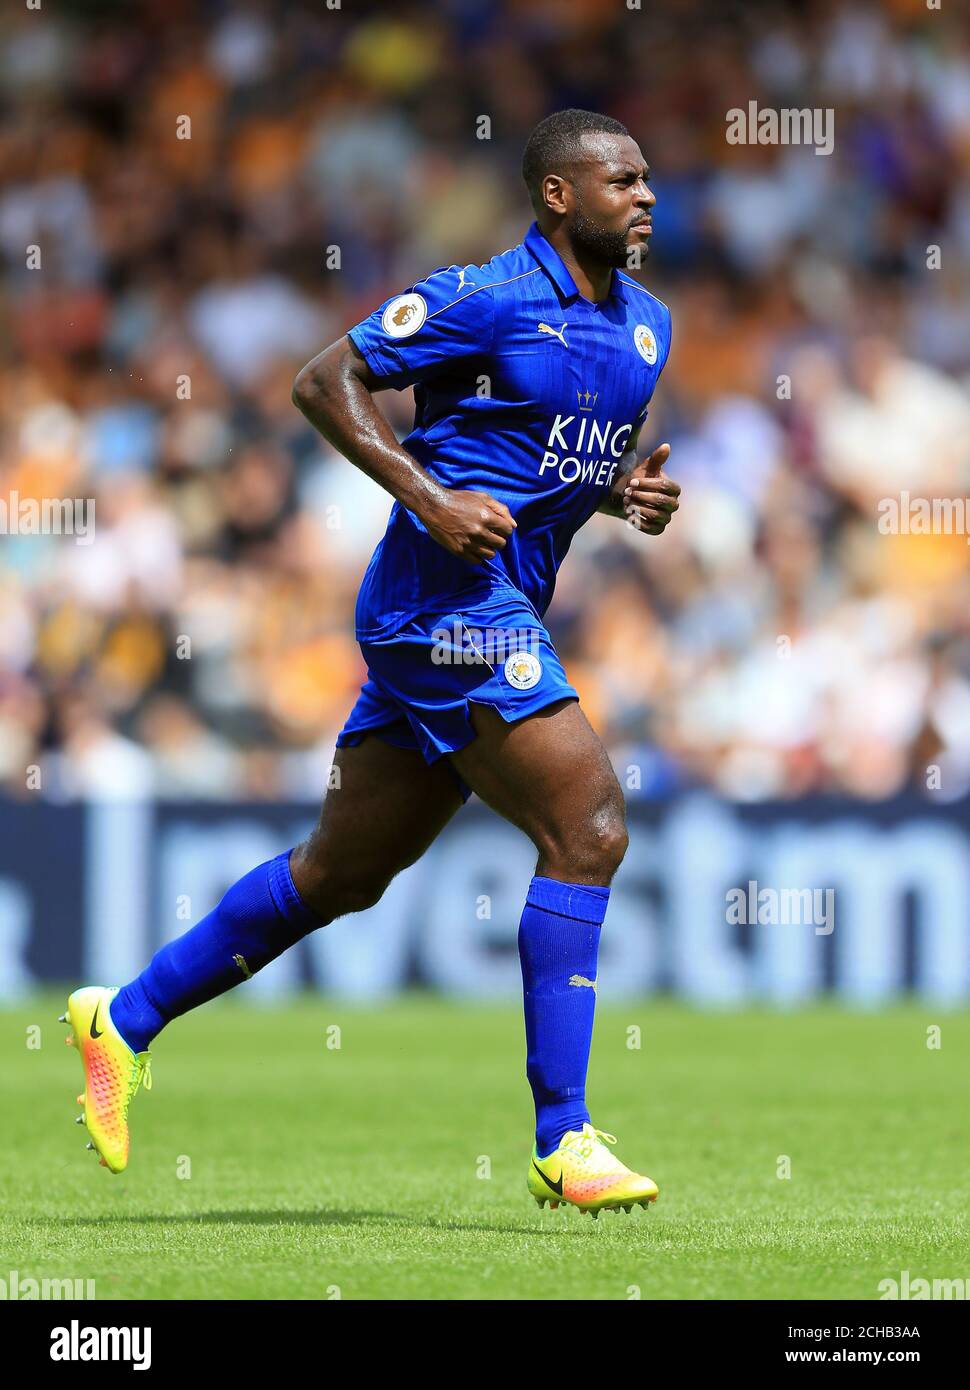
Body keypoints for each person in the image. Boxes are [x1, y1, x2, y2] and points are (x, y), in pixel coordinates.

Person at [62, 108, 680, 1217]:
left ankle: (124, 1018)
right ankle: (564, 1137)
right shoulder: (485, 295)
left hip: (484, 607)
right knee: (587, 824)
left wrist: (617, 493)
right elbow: (322, 379)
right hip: (439, 605)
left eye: (646, 180)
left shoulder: (645, 327)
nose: (645, 196)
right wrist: (428, 496)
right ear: (558, 195)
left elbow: (539, 463)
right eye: (622, 180)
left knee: (341, 876)